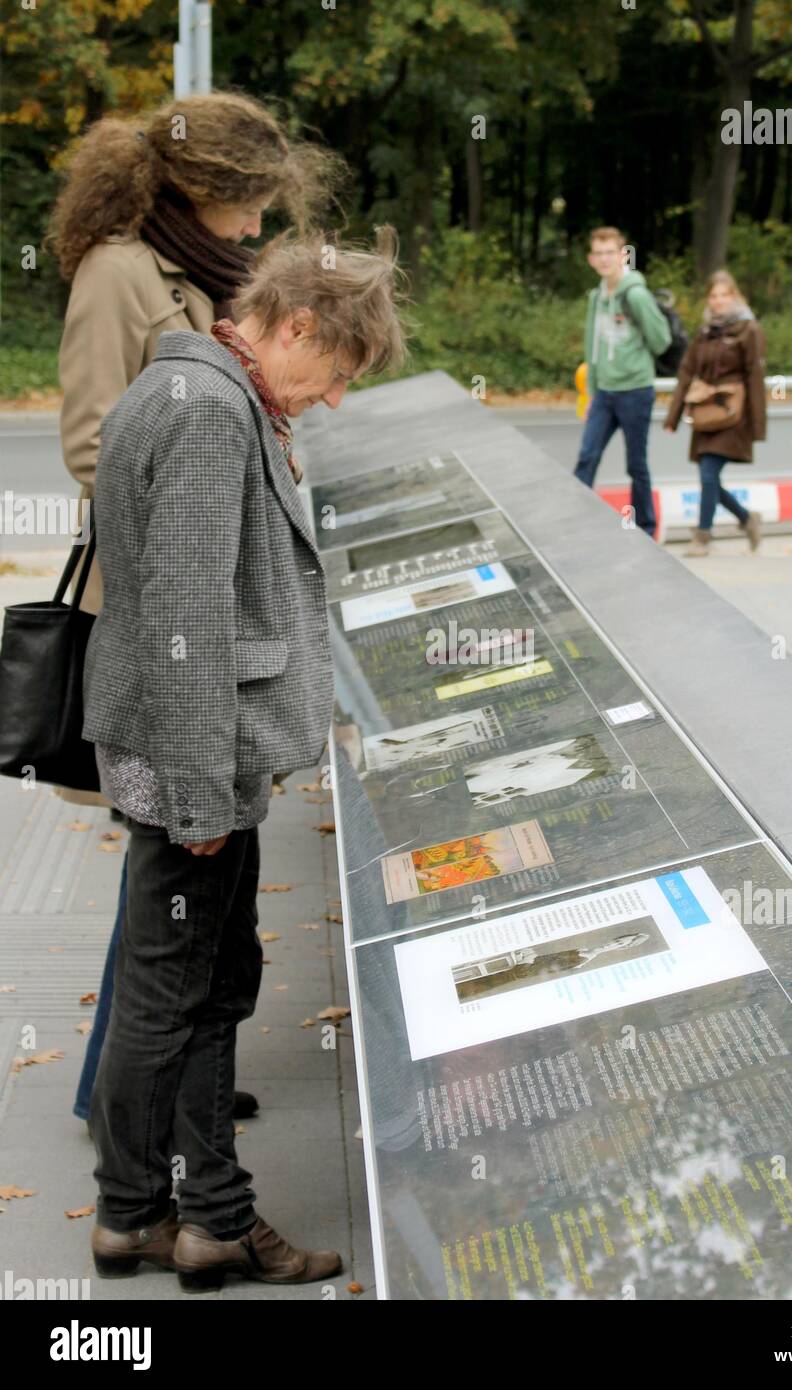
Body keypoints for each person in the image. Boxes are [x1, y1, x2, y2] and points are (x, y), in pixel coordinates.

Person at [84, 231, 407, 1288]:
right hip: (194, 759)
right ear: (296, 326)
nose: (333, 397)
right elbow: (184, 614)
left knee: (186, 983)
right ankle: (197, 1216)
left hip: (191, 750)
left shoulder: (200, 390)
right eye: (336, 372)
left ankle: (144, 1212)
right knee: (188, 992)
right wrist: (197, 792)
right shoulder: (210, 409)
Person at [48, 92, 343, 1126]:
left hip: (215, 601)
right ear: (202, 190)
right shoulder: (119, 274)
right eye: (251, 203)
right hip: (156, 606)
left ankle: (164, 1105)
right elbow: (91, 442)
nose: (259, 226)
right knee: (168, 877)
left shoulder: (207, 272)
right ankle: (131, 1120)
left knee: (185, 901)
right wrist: (191, 509)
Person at [574, 226, 672, 537]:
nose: (604, 259)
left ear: (621, 255)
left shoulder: (636, 294)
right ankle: (572, 522)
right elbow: (592, 345)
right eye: (598, 254)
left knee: (635, 464)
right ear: (591, 259)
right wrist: (590, 392)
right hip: (604, 392)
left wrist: (633, 357)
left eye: (609, 253)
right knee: (587, 457)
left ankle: (646, 527)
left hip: (635, 391)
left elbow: (662, 340)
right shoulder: (596, 297)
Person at [664, 270, 766, 557]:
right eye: (713, 296)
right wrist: (673, 416)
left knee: (708, 474)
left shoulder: (749, 330)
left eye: (724, 295)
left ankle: (703, 536)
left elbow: (755, 375)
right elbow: (686, 372)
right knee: (709, 478)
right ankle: (747, 519)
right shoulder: (705, 332)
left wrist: (757, 425)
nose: (719, 301)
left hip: (734, 414)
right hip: (706, 414)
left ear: (734, 296)